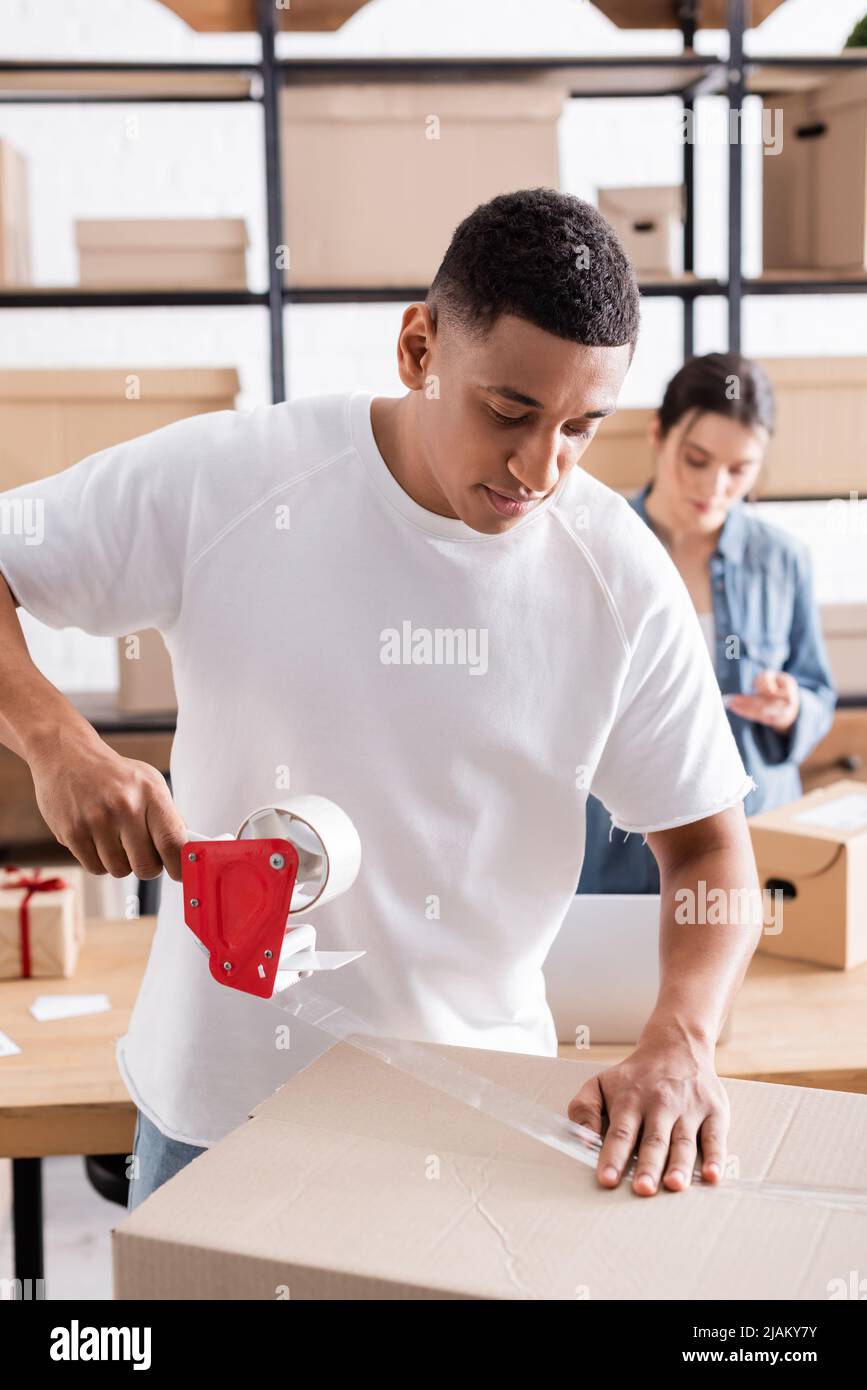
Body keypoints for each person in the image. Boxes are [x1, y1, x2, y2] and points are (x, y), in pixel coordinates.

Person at [0, 189, 762, 1210]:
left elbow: (711, 852)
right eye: (509, 412)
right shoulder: (233, 479)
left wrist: (682, 1036)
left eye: (584, 426)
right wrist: (58, 744)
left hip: (478, 1128)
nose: (543, 468)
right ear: (419, 348)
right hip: (216, 1124)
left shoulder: (617, 577)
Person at [577, 353, 836, 896]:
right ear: (659, 435)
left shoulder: (782, 560)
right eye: (696, 459)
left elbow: (816, 690)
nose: (715, 486)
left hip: (755, 840)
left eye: (740, 470)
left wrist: (791, 710)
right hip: (620, 846)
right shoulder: (597, 545)